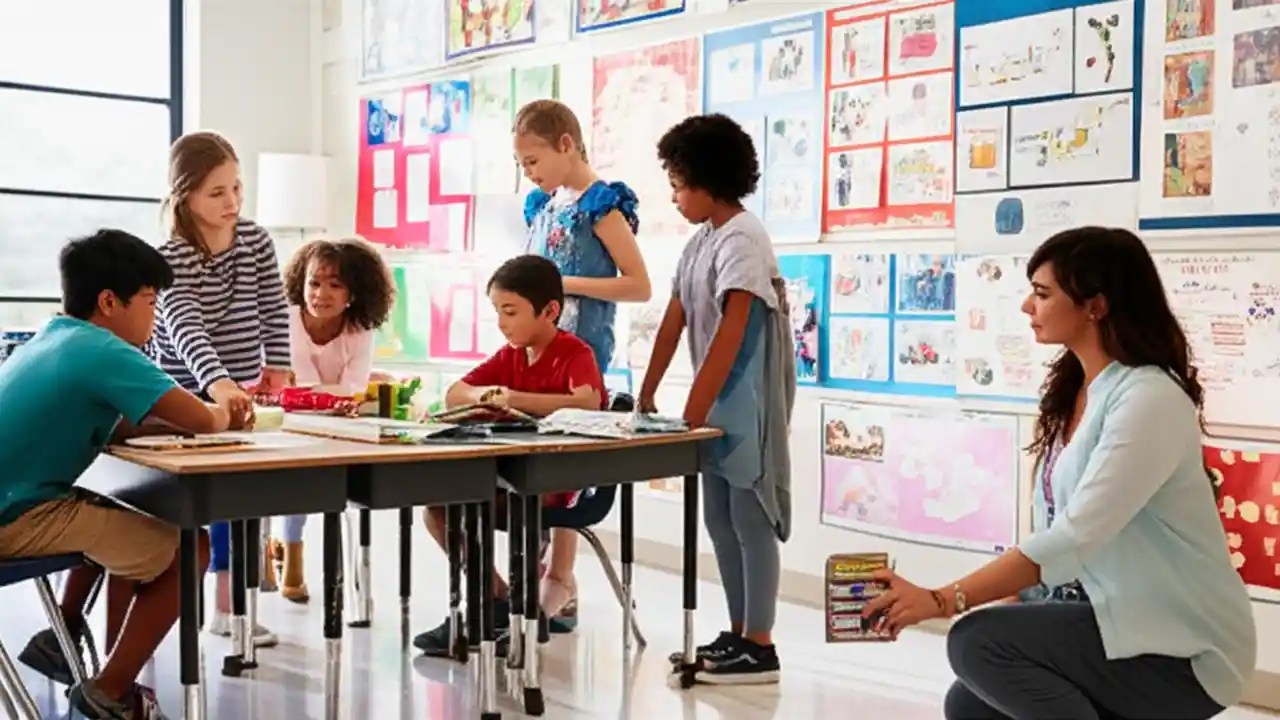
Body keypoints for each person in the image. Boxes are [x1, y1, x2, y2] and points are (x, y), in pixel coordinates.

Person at [862, 227, 1257, 720]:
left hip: (1182, 647)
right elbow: (1055, 534)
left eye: (1042, 293)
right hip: (1110, 622)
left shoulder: (1150, 399)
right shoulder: (1079, 392)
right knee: (970, 704)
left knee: (974, 642)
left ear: (1095, 306)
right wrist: (1020, 602)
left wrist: (944, 600)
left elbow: (1075, 537)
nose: (1028, 306)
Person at [1, 229, 227, 719]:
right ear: (109, 301)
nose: (155, 312)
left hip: (13, 503)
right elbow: (207, 419)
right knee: (193, 550)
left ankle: (63, 634)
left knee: (114, 508)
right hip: (14, 518)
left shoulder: (52, 336)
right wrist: (229, 404)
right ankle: (109, 692)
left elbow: (116, 422)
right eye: (149, 299)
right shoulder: (104, 350)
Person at [639, 113, 796, 685]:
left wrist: (693, 413)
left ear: (708, 181)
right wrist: (650, 389)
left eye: (679, 185)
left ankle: (761, 642)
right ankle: (738, 631)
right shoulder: (699, 240)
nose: (676, 196)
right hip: (710, 408)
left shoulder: (745, 239)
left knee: (752, 519)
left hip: (743, 403)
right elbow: (674, 317)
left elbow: (731, 336)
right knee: (719, 520)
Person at [413, 254, 607, 656]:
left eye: (510, 311)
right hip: (509, 479)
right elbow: (455, 393)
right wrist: (487, 396)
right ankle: (495, 601)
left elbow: (587, 403)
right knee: (438, 507)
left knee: (503, 502)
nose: (502, 322)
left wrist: (515, 398)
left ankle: (513, 613)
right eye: (497, 312)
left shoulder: (575, 353)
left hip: (554, 484)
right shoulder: (510, 355)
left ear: (550, 311)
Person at [148, 130, 292, 646]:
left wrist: (277, 366)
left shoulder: (255, 241)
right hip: (184, 393)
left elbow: (274, 309)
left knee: (244, 498)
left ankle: (235, 605)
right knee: (204, 503)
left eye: (237, 188)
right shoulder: (170, 257)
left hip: (242, 389)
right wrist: (218, 384)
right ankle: (205, 603)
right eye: (217, 193)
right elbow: (185, 326)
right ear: (184, 195)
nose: (232, 202)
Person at [513, 98, 651, 623]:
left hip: (584, 348)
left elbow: (637, 285)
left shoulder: (601, 205)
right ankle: (541, 568)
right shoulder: (542, 204)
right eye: (523, 164)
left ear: (565, 145)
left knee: (564, 462)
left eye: (533, 161)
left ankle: (561, 575)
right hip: (537, 347)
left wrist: (560, 285)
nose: (529, 173)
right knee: (533, 457)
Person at [259, 237, 396, 603]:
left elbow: (351, 389)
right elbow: (299, 387)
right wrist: (338, 392)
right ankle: (288, 554)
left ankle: (288, 548)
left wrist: (339, 392)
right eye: (314, 283)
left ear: (355, 292)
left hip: (337, 425)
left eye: (335, 285)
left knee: (313, 480)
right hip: (283, 421)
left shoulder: (359, 330)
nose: (321, 294)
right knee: (290, 479)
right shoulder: (285, 322)